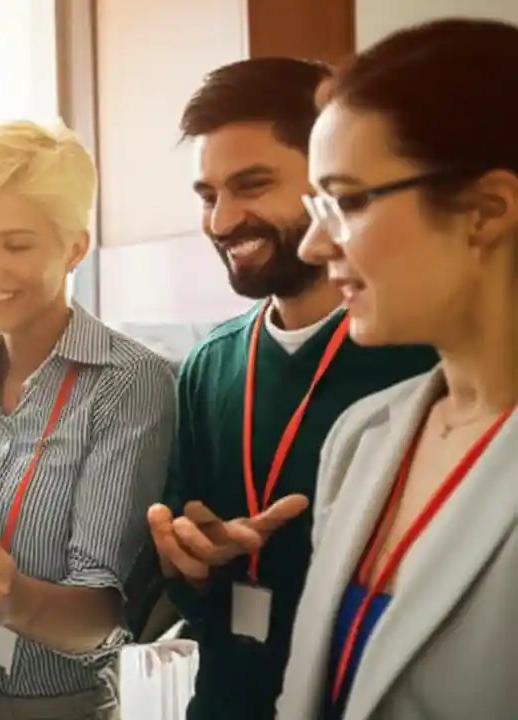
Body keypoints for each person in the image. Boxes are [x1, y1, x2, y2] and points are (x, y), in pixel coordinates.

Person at [145, 59, 439, 719]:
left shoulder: (423, 359)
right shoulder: (209, 364)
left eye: (252, 185)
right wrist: (192, 565)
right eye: (206, 194)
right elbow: (187, 587)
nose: (221, 221)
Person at [277, 18, 518, 720]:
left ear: (487, 209)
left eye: (348, 201)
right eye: (318, 206)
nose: (318, 244)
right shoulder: (363, 436)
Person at [0, 120, 176, 719]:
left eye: (16, 244)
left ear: (75, 248)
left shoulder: (128, 384)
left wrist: (11, 601)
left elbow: (102, 619)